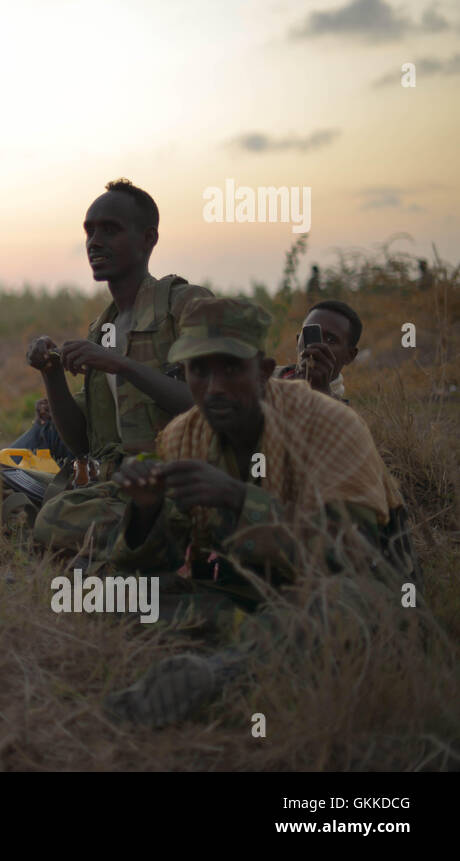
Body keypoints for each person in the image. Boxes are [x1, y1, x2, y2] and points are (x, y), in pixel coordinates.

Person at [104, 298, 414, 725]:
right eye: (199, 370)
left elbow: (355, 555)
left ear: (265, 372)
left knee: (342, 605)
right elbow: (174, 559)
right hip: (248, 588)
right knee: (123, 588)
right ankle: (250, 635)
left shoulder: (331, 425)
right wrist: (146, 512)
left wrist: (237, 497)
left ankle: (216, 675)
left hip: (352, 587)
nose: (213, 387)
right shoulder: (182, 435)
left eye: (231, 369)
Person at [26, 178, 212, 561]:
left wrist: (120, 363)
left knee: (53, 517)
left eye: (110, 230)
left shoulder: (184, 305)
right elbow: (84, 445)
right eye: (89, 231)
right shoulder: (104, 326)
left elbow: (210, 407)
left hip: (170, 485)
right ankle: (114, 539)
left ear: (148, 239)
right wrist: (52, 374)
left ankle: (156, 545)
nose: (94, 242)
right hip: (109, 484)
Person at [274, 299, 361, 401]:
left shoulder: (343, 414)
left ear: (349, 356)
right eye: (311, 335)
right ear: (298, 341)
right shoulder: (266, 376)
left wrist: (322, 395)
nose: (317, 347)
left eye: (330, 340)